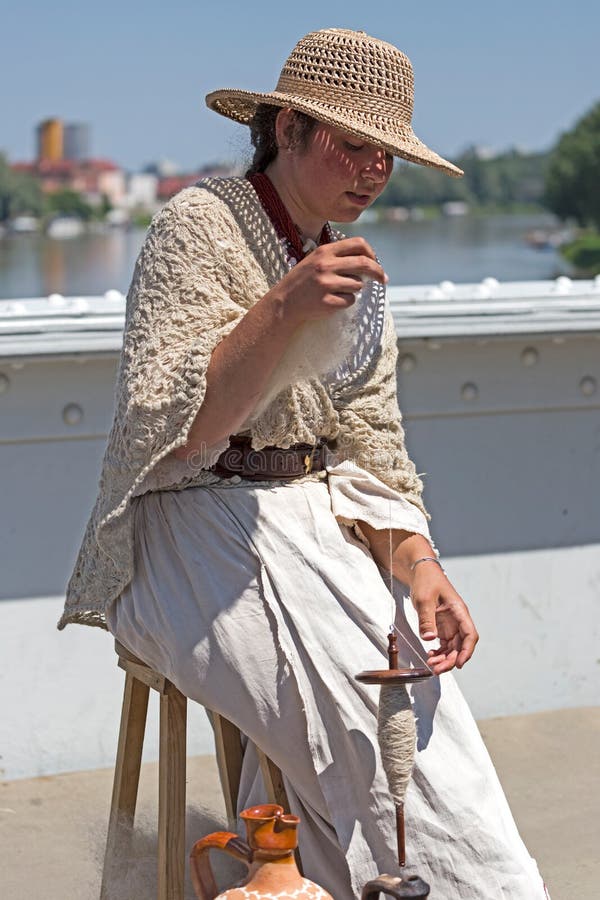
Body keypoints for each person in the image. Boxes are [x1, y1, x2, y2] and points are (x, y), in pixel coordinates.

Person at [59, 28, 548, 899]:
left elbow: (373, 443)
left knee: (417, 713)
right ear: (286, 128)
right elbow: (172, 428)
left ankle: (450, 880)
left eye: (386, 155)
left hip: (316, 522)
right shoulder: (196, 226)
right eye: (352, 144)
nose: (372, 170)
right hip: (186, 524)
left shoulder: (358, 277)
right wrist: (282, 306)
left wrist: (423, 565)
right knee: (356, 730)